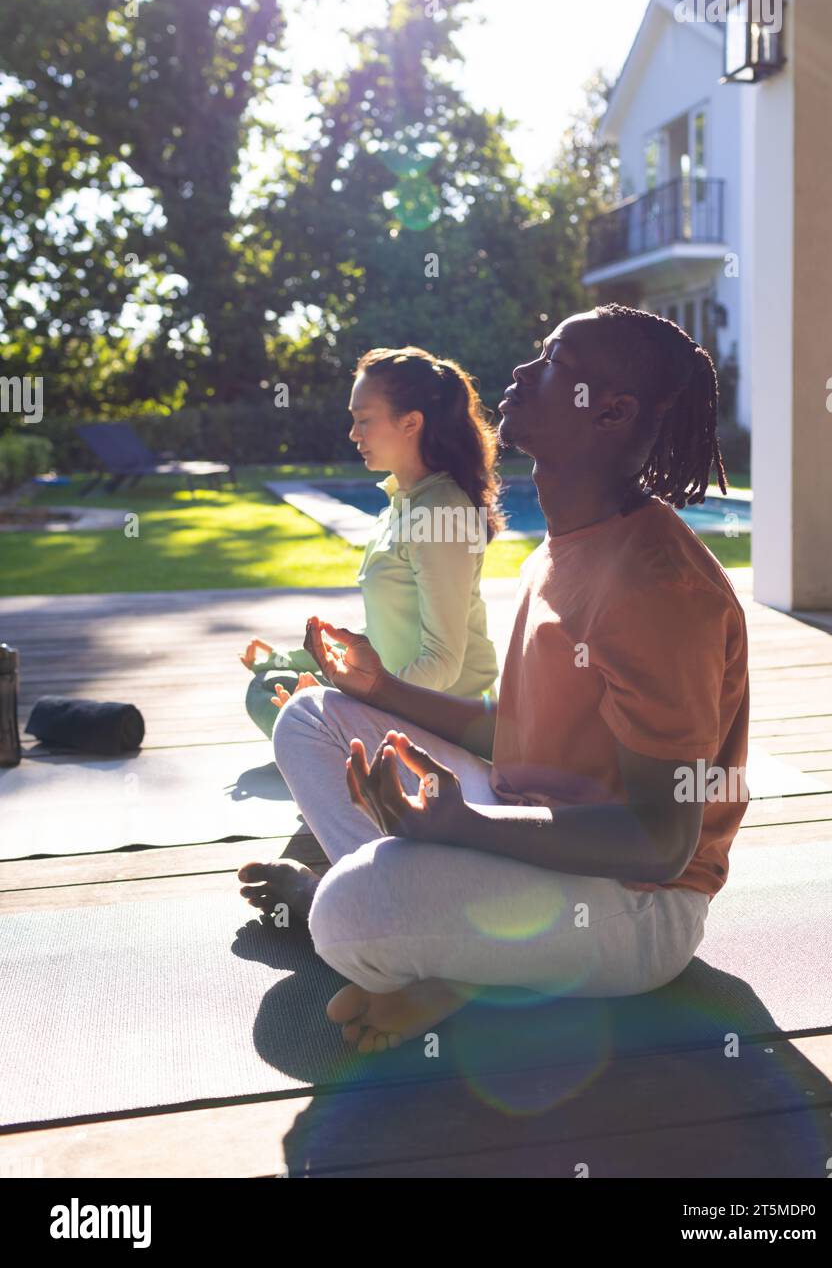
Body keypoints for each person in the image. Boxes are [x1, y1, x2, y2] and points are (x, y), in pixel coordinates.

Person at [238, 305, 750, 1055]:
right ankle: (451, 951)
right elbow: (514, 729)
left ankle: (413, 939)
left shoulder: (659, 587)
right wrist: (379, 689)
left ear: (610, 410)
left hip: (636, 909)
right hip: (530, 817)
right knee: (312, 716)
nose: (518, 371)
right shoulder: (563, 549)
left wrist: (464, 828)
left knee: (348, 911)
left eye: (552, 362)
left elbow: (658, 843)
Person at [240, 347, 501, 737]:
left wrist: (352, 703)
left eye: (363, 420)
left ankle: (333, 740)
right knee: (271, 680)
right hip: (392, 693)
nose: (353, 434)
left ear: (411, 422)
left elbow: (443, 663)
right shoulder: (400, 504)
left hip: (445, 717)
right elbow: (387, 630)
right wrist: (295, 658)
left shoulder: (440, 514)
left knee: (271, 696)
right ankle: (325, 736)